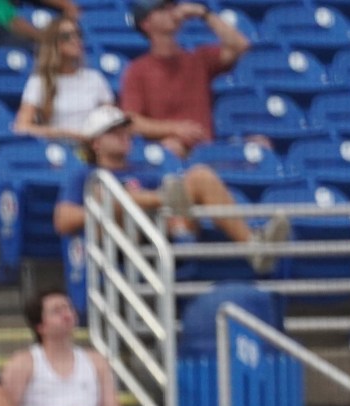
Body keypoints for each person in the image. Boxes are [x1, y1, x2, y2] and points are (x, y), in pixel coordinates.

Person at [54, 106, 286, 274]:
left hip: (163, 232)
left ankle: (253, 246)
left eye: (126, 130)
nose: (124, 136)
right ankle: (164, 200)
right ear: (96, 143)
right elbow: (63, 221)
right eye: (114, 132)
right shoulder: (84, 175)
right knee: (106, 194)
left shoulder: (145, 171)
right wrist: (104, 208)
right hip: (122, 243)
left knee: (200, 175)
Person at [0, 289, 146, 406]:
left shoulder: (96, 361)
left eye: (68, 308)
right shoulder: (23, 363)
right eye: (57, 311)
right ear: (40, 326)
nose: (66, 314)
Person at [119, 0, 247, 158]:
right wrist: (174, 129)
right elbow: (131, 121)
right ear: (146, 23)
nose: (172, 12)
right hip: (171, 150)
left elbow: (240, 45)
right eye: (162, 9)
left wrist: (204, 14)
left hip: (207, 149)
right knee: (172, 148)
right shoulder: (137, 70)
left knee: (259, 145)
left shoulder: (198, 59)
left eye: (172, 7)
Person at [15, 17, 114, 140]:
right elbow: (22, 126)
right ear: (53, 43)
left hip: (93, 148)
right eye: (67, 36)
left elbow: (112, 121)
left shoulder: (95, 78)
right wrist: (63, 134)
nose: (75, 40)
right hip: (60, 149)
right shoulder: (39, 81)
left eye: (78, 34)